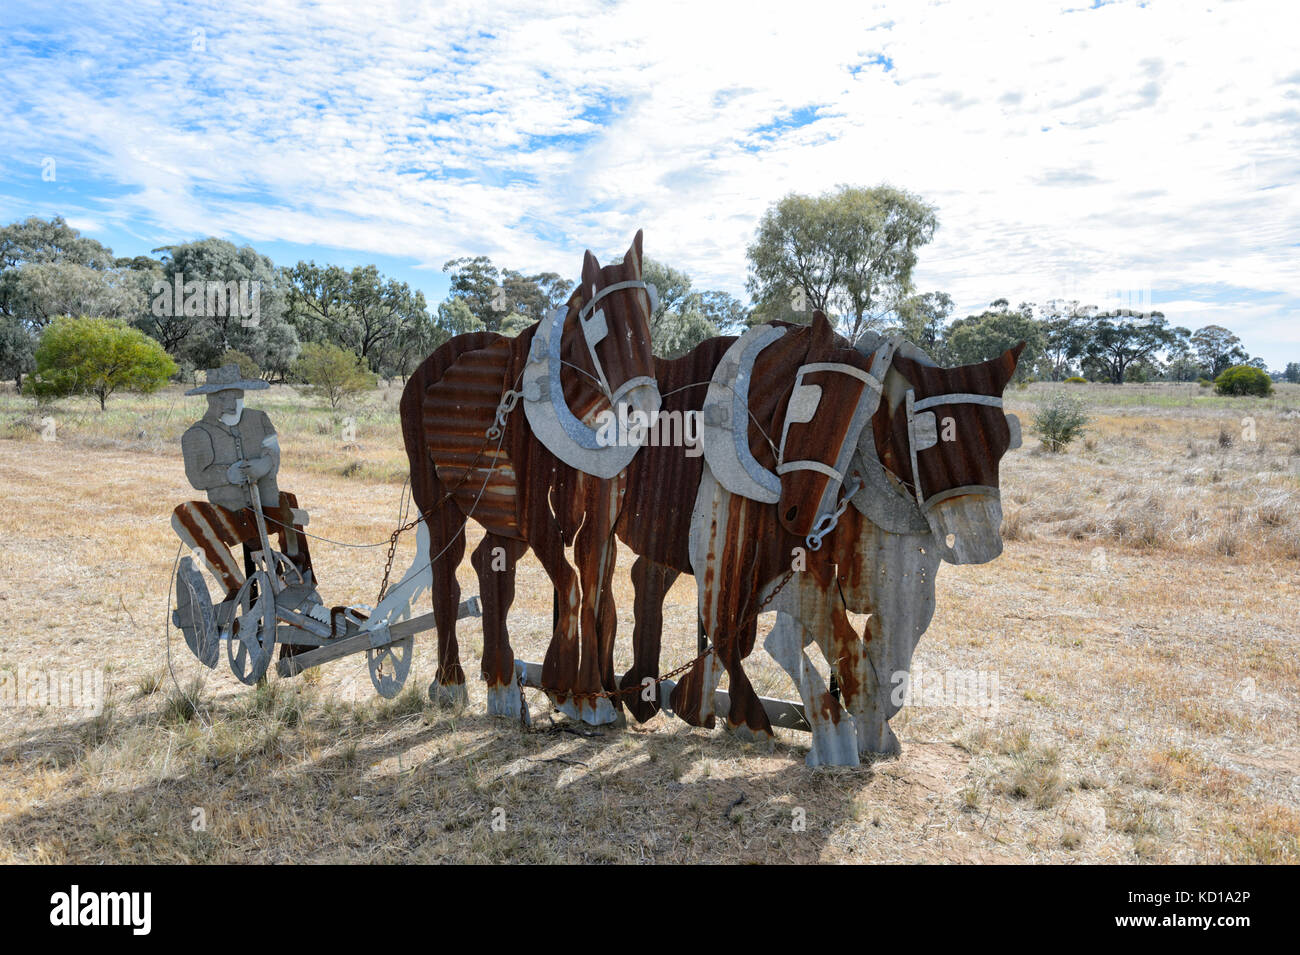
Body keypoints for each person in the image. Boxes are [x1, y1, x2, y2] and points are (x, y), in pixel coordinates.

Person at [170, 364, 314, 602]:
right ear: (211, 399)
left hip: (264, 509)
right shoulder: (196, 434)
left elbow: (273, 452)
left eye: (237, 396)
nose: (232, 403)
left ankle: (298, 576)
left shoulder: (259, 419)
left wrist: (265, 464)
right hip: (229, 514)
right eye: (223, 397)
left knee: (287, 502)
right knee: (184, 513)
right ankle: (236, 586)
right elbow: (196, 477)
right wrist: (227, 475)